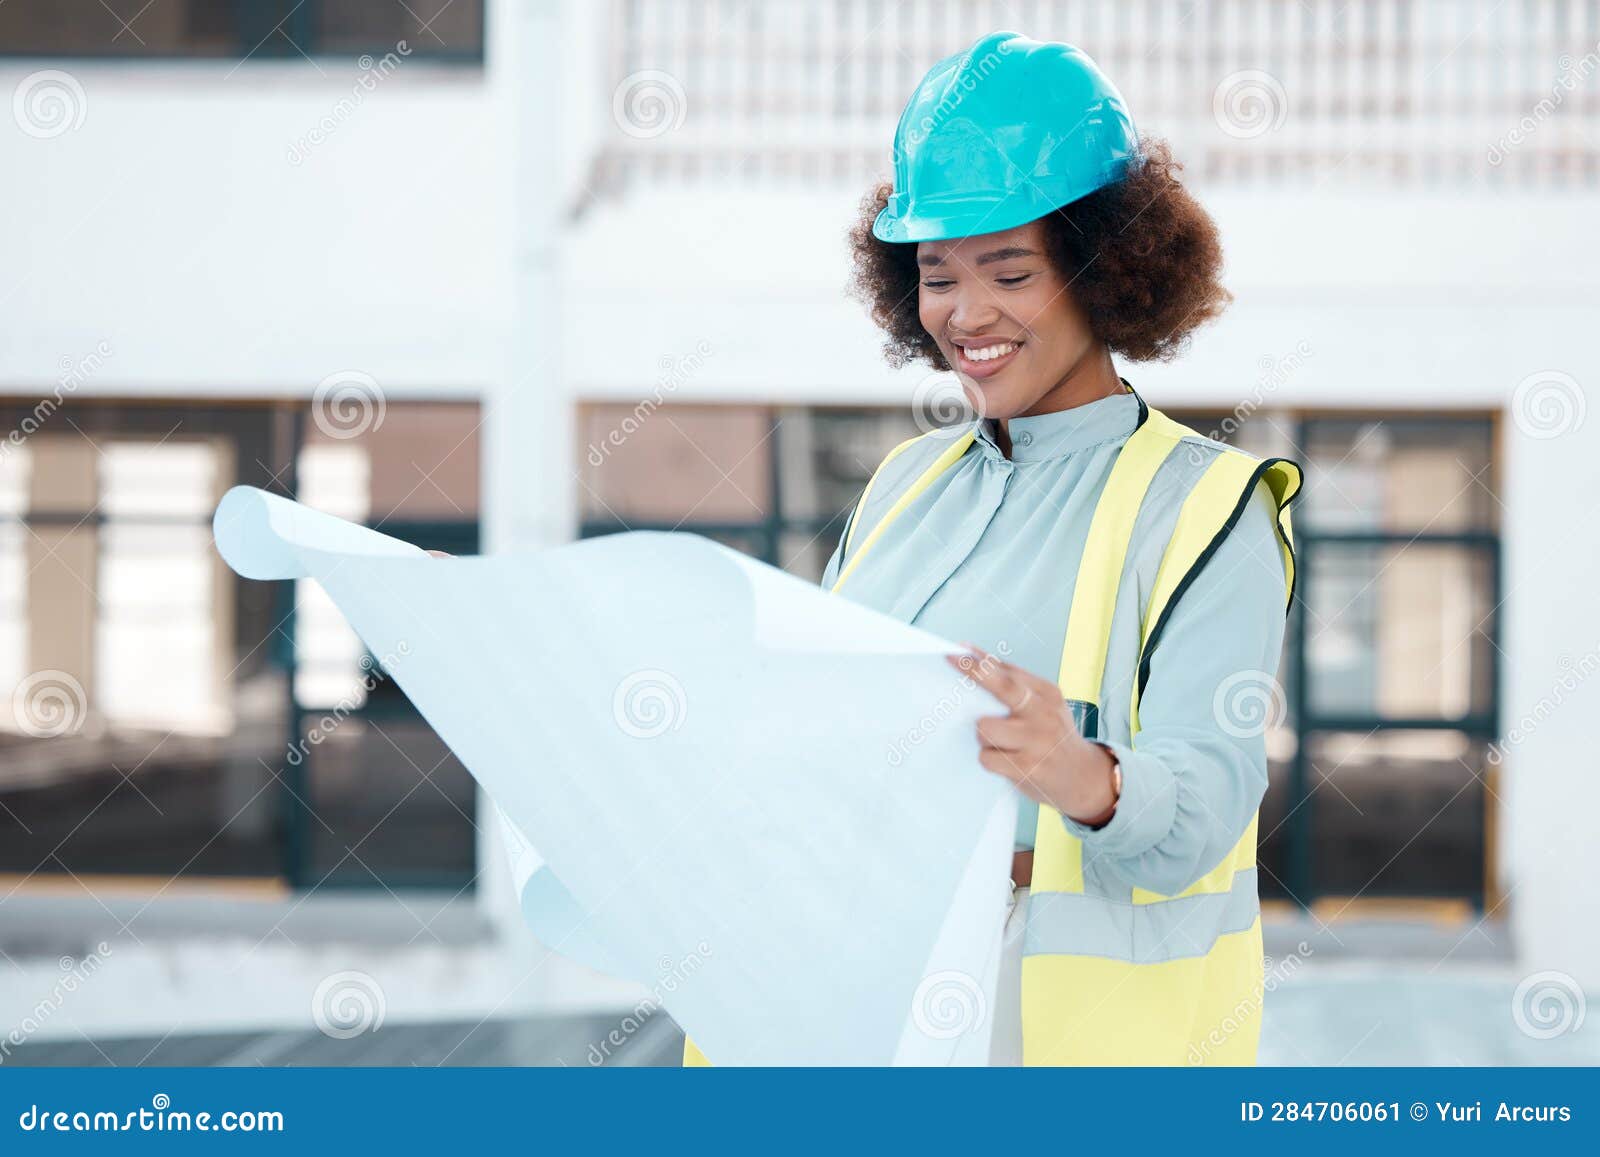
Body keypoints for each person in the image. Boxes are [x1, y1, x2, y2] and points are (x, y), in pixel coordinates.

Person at [684, 30, 1300, 1067]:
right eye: (936, 275)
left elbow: (1207, 805)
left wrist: (1085, 774)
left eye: (1008, 270)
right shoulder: (900, 487)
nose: (966, 315)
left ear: (1106, 268)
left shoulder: (1207, 506)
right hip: (850, 1032)